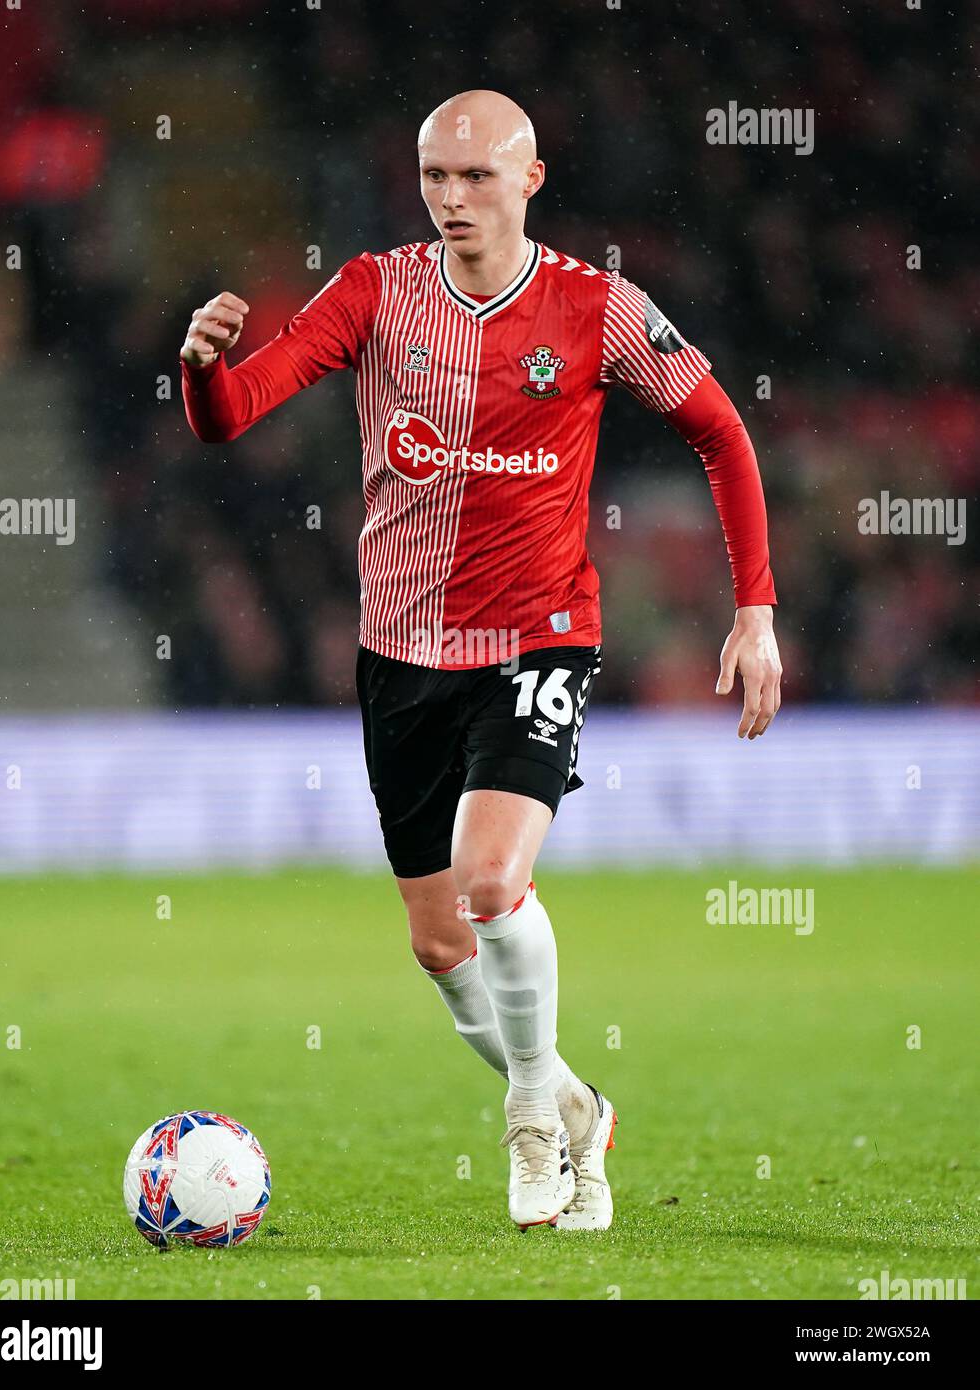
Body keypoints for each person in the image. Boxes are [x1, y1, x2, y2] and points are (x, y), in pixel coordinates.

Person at [180, 89, 782, 1231]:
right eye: (435, 177)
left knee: (493, 881)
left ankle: (528, 1126)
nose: (453, 198)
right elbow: (234, 412)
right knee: (439, 939)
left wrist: (754, 607)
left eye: (477, 177)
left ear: (531, 180)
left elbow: (722, 430)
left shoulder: (595, 309)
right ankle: (578, 1107)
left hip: (542, 638)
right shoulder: (371, 291)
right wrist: (206, 369)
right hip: (400, 656)